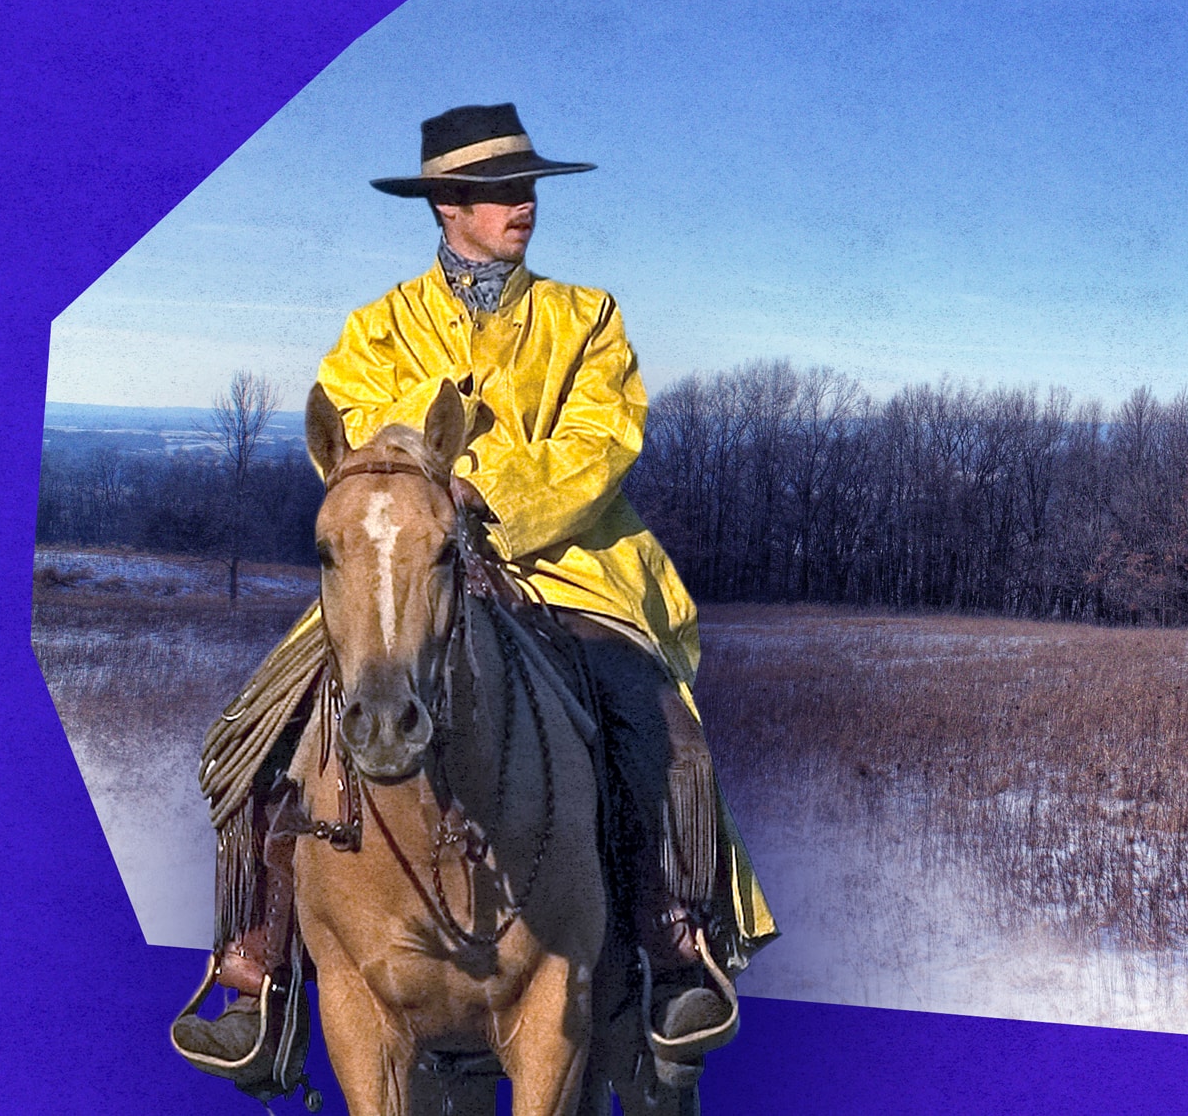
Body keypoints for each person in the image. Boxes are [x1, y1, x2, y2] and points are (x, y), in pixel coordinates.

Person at [171, 104, 774, 1096]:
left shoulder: (589, 319)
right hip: (402, 568)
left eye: (528, 188)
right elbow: (364, 448)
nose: (524, 206)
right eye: (502, 192)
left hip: (565, 566)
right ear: (449, 205)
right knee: (256, 731)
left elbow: (598, 448)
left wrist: (483, 495)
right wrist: (420, 497)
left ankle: (672, 952)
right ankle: (260, 974)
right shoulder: (375, 331)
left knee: (660, 728)